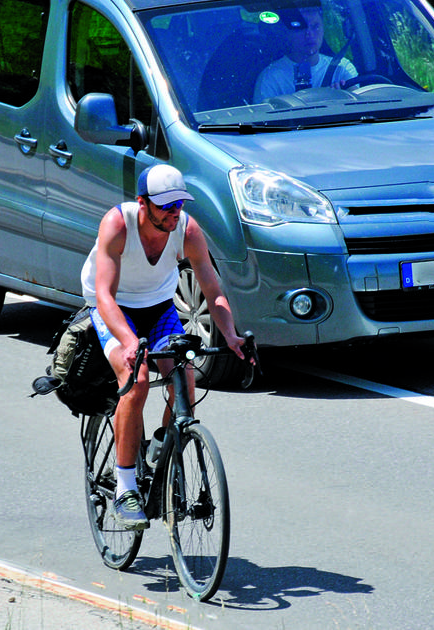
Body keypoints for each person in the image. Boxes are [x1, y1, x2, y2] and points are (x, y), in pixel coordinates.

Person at [81, 164, 248, 530]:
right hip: (114, 308)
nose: (174, 212)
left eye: (179, 204)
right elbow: (104, 294)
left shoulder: (187, 230)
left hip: (157, 307)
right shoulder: (118, 225)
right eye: (165, 205)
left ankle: (161, 450)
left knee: (185, 381)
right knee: (136, 380)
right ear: (143, 203)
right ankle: (125, 488)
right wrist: (128, 342)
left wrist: (232, 335)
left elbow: (213, 290)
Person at [252, 3, 358, 103]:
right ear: (287, 33)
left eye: (315, 27)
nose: (309, 34)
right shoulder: (271, 78)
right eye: (301, 28)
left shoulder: (342, 69)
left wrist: (346, 97)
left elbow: (359, 111)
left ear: (323, 29)